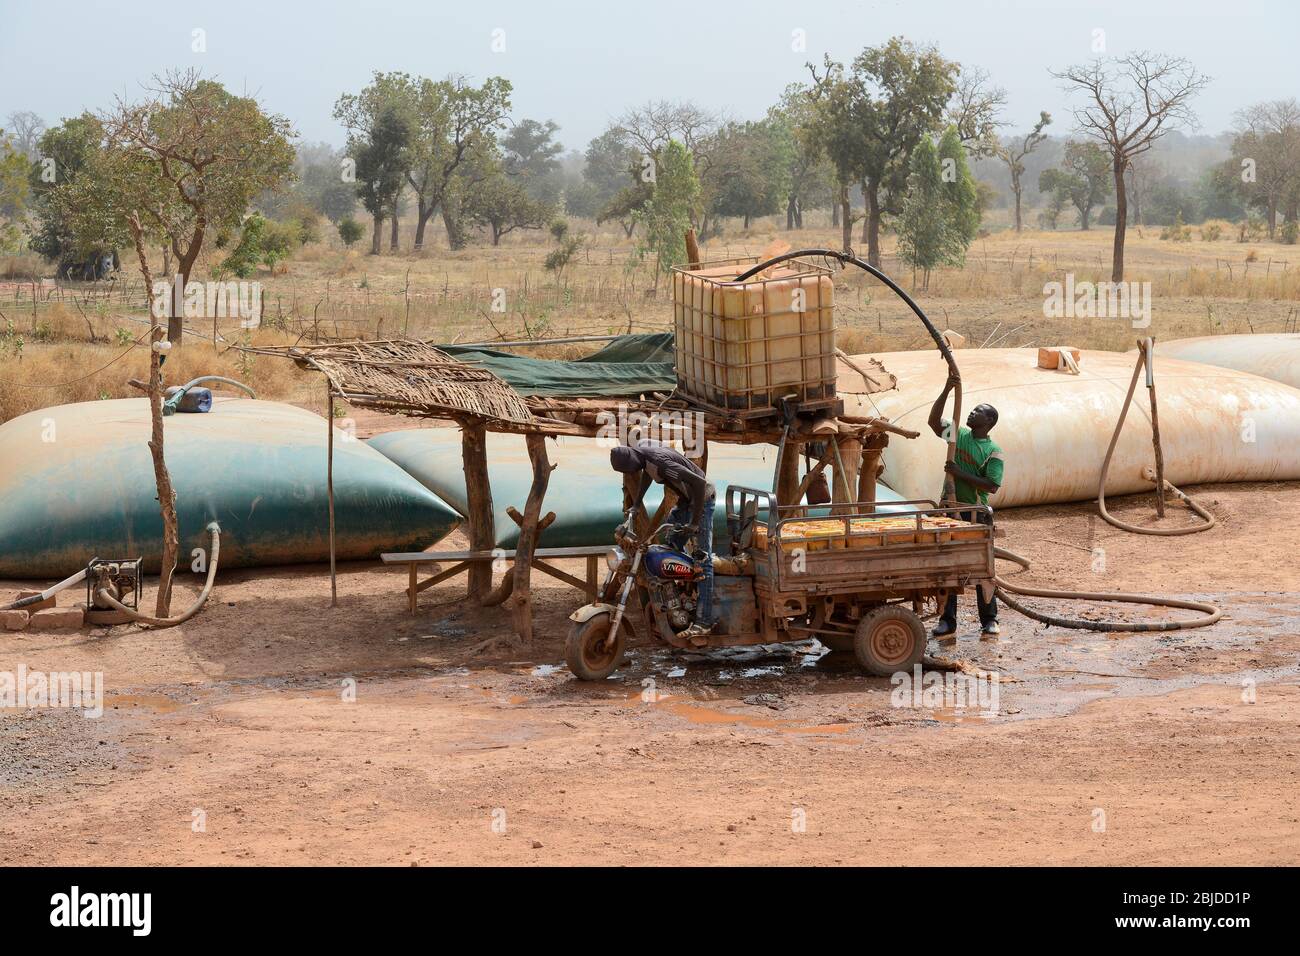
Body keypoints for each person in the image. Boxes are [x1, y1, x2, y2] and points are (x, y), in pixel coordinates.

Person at [609, 439, 716, 640]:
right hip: (685, 500)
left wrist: (694, 523)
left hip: (702, 500)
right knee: (670, 547)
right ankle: (682, 602)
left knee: (703, 561)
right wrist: (637, 503)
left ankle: (704, 622)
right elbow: (649, 476)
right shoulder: (643, 452)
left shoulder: (660, 461)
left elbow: (699, 482)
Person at [927, 374, 1005, 640]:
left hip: (975, 513)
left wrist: (959, 473)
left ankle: (990, 619)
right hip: (949, 510)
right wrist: (946, 389)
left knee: (982, 568)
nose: (971, 413)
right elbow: (933, 422)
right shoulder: (957, 434)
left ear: (989, 422)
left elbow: (991, 486)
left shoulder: (993, 450)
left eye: (978, 412)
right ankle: (947, 621)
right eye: (971, 410)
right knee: (948, 567)